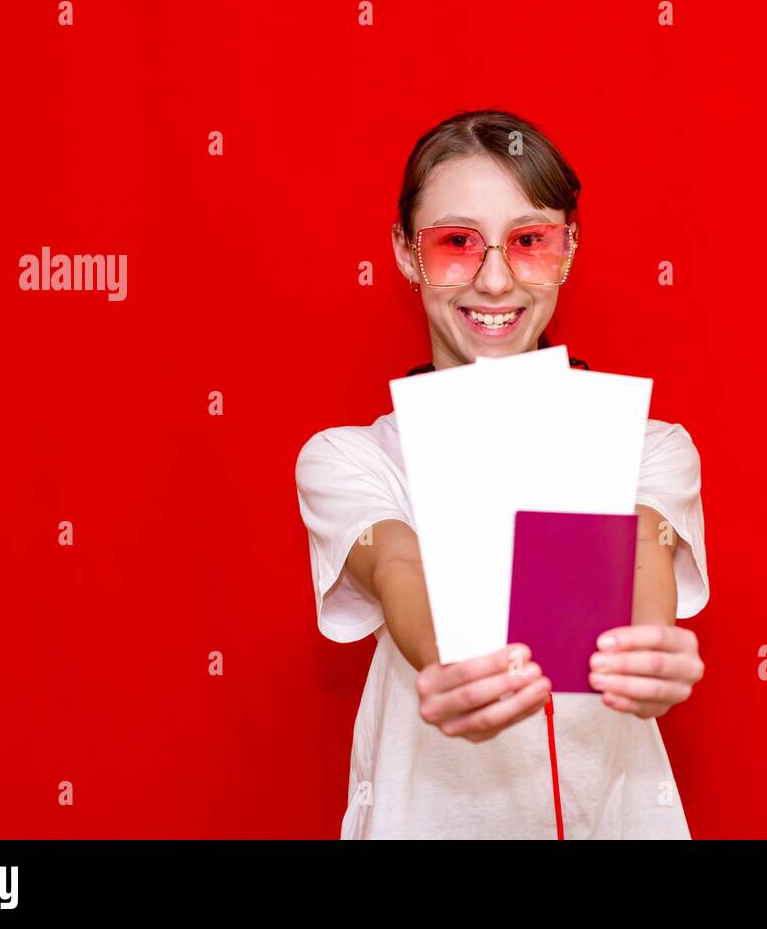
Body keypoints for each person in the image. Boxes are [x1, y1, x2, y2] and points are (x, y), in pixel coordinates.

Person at [294, 109, 710, 838]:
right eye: (456, 242)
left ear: (568, 248)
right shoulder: (349, 459)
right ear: (403, 252)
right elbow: (398, 564)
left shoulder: (649, 445)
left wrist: (649, 647)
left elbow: (644, 547)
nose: (493, 279)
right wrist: (447, 664)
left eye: (528, 241)